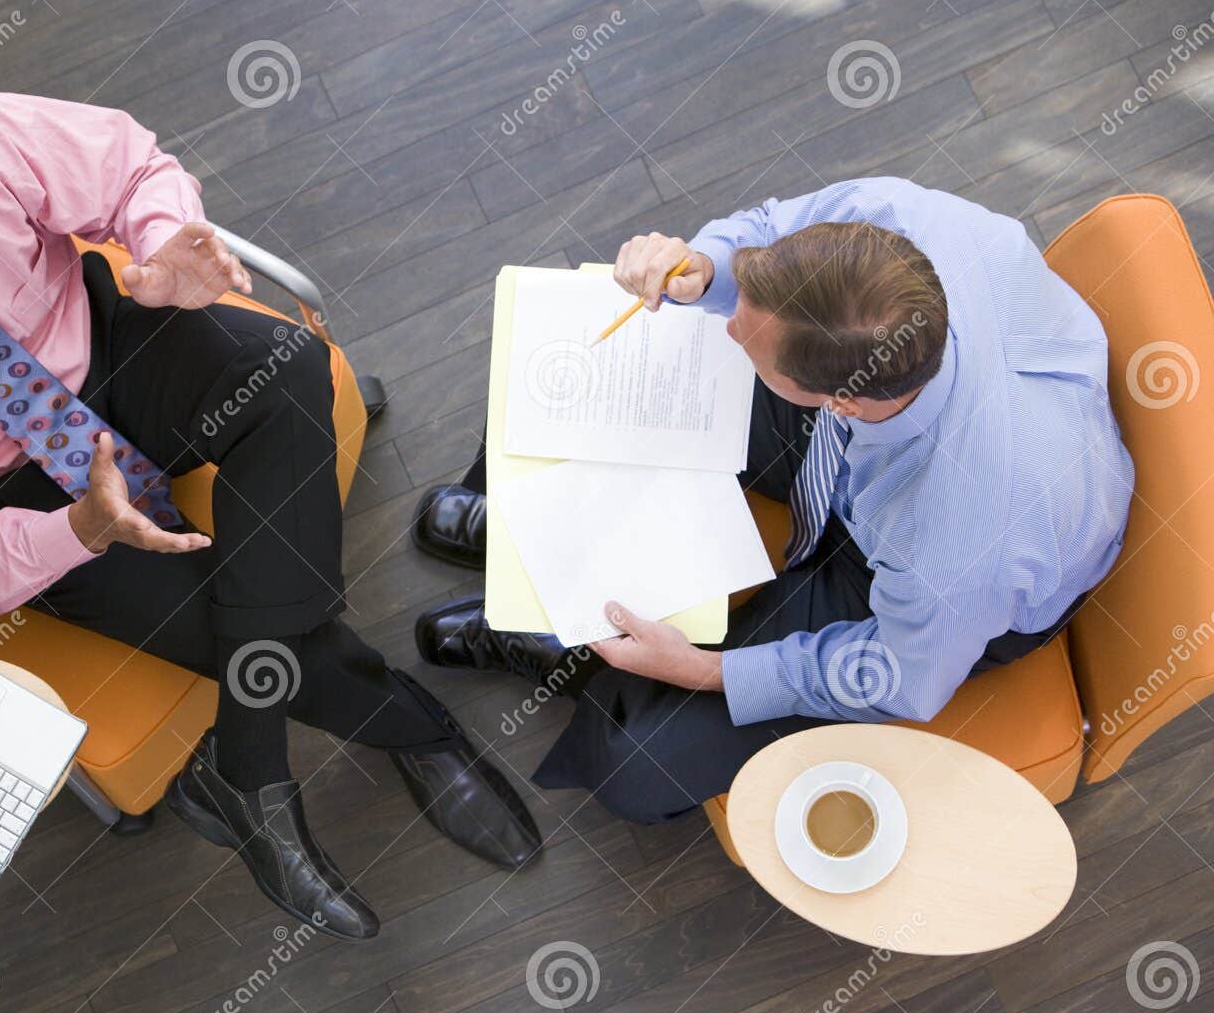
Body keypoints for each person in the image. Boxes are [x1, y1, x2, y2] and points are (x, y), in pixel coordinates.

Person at [0, 91, 541, 941]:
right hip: (18, 491)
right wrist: (79, 529)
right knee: (226, 614)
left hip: (102, 340)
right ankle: (414, 725)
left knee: (288, 367)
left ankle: (250, 764)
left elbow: (127, 165)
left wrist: (159, 241)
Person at [412, 177, 1132, 824]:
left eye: (748, 339)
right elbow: (763, 230)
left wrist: (706, 671)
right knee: (580, 372)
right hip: (889, 451)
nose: (729, 327)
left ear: (839, 403)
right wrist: (703, 269)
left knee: (637, 760)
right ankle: (529, 550)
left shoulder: (958, 548)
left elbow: (899, 678)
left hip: (937, 591)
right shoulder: (892, 223)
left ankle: (568, 647)